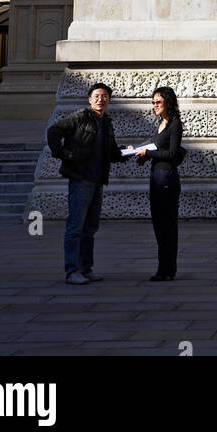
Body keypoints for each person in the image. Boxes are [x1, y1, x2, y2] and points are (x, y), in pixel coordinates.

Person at [46, 82, 130, 284]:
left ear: (109, 100)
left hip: (97, 180)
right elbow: (53, 132)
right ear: (90, 99)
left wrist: (127, 151)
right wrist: (64, 154)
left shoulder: (106, 122)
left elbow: (111, 153)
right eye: (97, 96)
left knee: (90, 228)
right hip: (81, 178)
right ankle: (72, 271)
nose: (101, 99)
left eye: (105, 96)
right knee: (75, 227)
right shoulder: (81, 117)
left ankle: (86, 268)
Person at [135, 86, 185, 281]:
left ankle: (167, 269)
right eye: (153, 102)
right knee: (158, 223)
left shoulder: (174, 124)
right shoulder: (161, 124)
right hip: (156, 176)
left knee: (167, 224)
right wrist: (139, 153)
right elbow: (155, 147)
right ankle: (164, 267)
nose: (154, 105)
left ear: (168, 103)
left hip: (167, 178)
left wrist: (147, 153)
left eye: (158, 102)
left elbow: (171, 154)